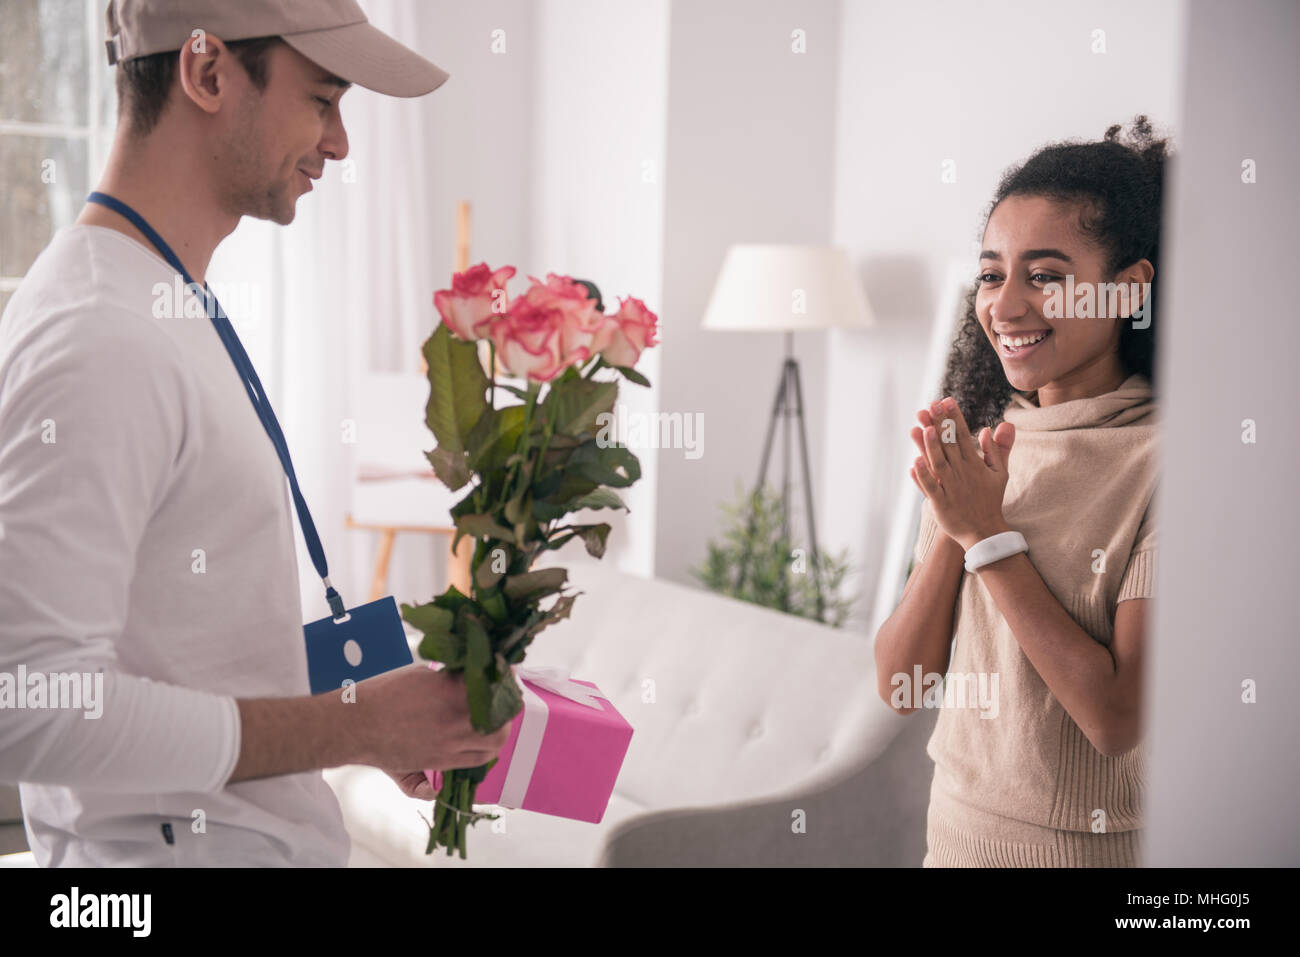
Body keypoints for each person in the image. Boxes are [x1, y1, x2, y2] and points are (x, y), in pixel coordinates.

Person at [0, 0, 509, 866]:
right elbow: (33, 706)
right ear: (206, 72)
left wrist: (370, 711)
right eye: (321, 100)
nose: (340, 143)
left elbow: (181, 644)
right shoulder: (99, 335)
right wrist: (354, 725)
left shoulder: (157, 298)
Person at [874, 116, 1168, 866]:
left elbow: (1113, 715)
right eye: (992, 273)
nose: (1005, 306)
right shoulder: (983, 442)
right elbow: (902, 686)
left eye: (1045, 275)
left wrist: (987, 536)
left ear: (1129, 289)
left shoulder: (1166, 463)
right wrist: (955, 521)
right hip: (953, 835)